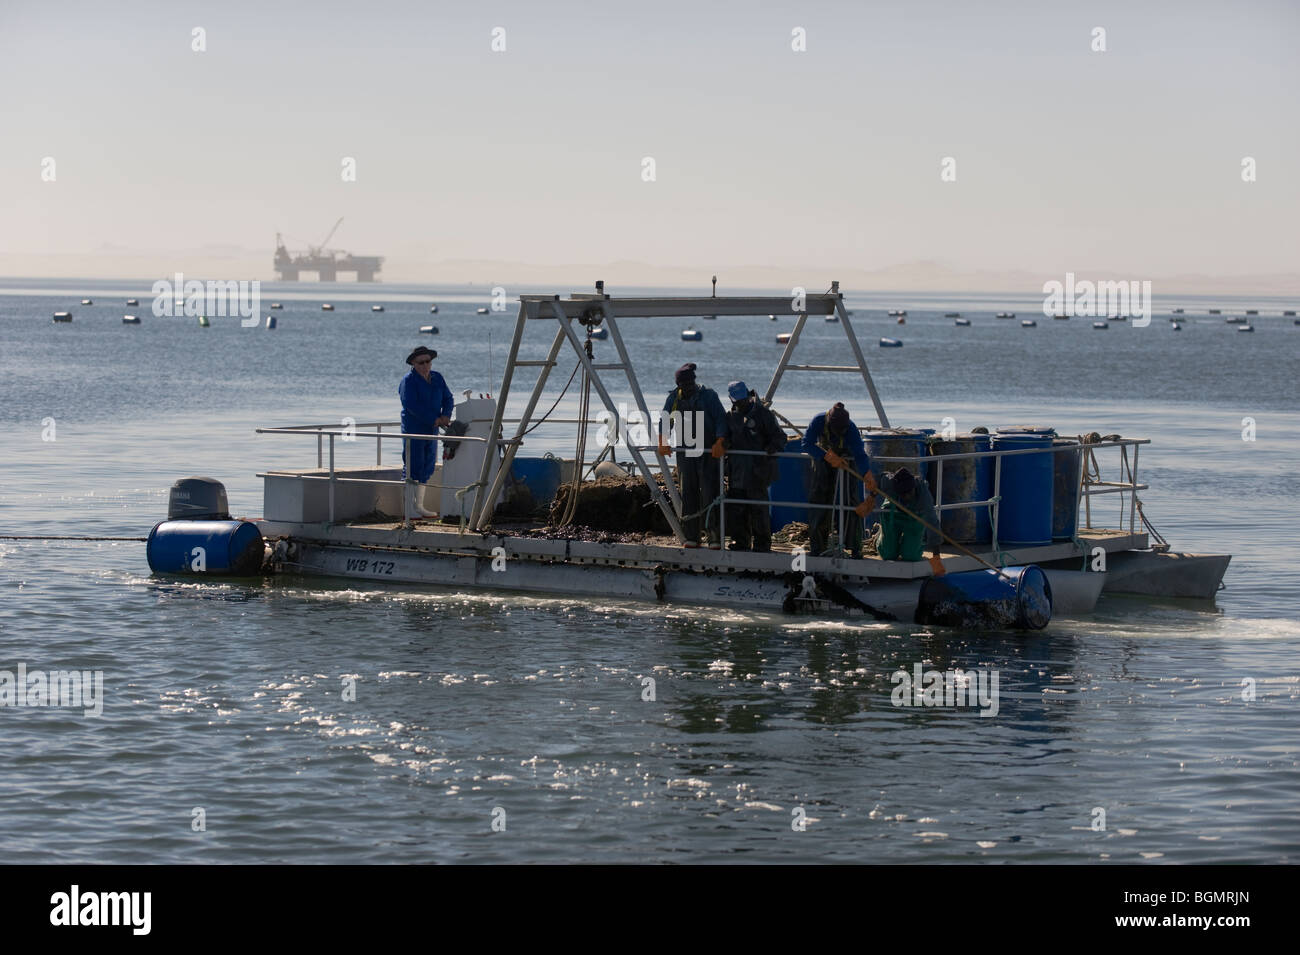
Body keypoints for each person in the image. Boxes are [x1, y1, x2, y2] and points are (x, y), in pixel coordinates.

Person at [658, 362, 726, 548]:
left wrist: (720, 440)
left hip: (708, 452)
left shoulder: (709, 396)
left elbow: (721, 418)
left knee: (710, 492)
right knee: (688, 492)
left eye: (689, 384)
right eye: (683, 385)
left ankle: (714, 536)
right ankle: (691, 536)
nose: (687, 388)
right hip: (685, 452)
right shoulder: (674, 399)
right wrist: (663, 440)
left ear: (694, 382)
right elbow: (665, 420)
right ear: (679, 385)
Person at [720, 381, 786, 551]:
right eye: (736, 401)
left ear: (748, 396)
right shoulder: (730, 417)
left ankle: (762, 543)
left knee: (759, 509)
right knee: (736, 509)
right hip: (736, 472)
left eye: (742, 400)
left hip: (758, 472)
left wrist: (773, 447)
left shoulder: (764, 415)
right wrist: (725, 443)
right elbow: (724, 436)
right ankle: (740, 541)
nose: (739, 404)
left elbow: (780, 437)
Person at [803, 402, 869, 557]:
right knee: (820, 501)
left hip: (847, 462)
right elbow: (806, 444)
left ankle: (855, 546)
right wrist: (826, 456)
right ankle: (818, 546)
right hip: (823, 462)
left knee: (851, 501)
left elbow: (860, 453)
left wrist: (867, 474)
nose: (840, 432)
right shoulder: (818, 421)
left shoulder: (851, 428)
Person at [870, 466, 946, 575]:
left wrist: (936, 556)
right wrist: (871, 498)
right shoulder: (889, 482)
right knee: (887, 554)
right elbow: (875, 481)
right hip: (893, 514)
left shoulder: (924, 496)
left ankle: (914, 543)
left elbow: (932, 523)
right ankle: (879, 538)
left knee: (911, 556)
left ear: (914, 487)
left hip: (913, 518)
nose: (907, 496)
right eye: (903, 493)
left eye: (909, 492)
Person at [399, 346, 454, 485]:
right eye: (420, 363)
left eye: (427, 361)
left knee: (428, 467)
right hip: (414, 431)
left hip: (432, 431)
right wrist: (433, 419)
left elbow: (448, 398)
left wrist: (446, 415)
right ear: (413, 364)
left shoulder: (437, 377)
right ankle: (409, 504)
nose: (425, 365)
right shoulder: (408, 381)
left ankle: (418, 503)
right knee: (413, 468)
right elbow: (411, 405)